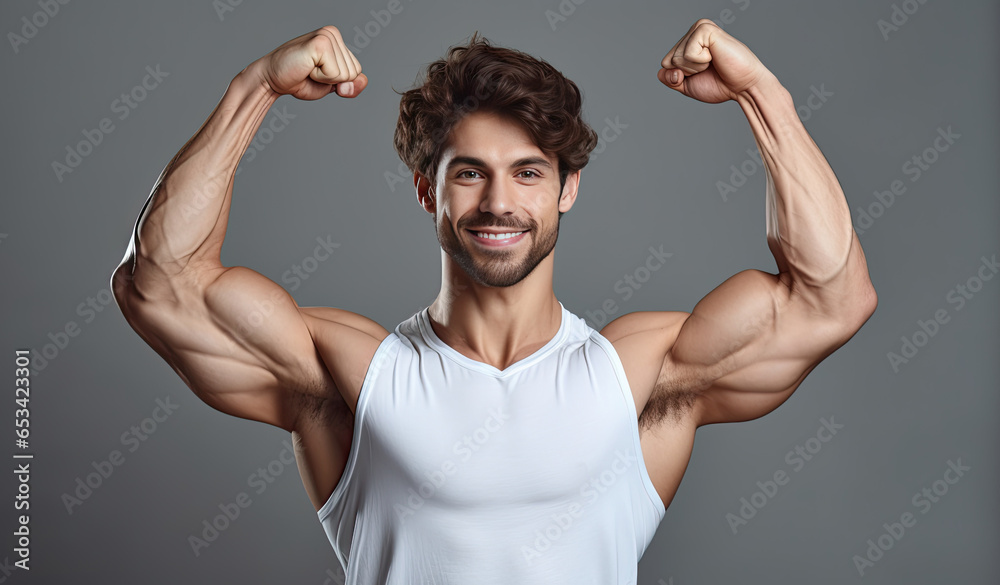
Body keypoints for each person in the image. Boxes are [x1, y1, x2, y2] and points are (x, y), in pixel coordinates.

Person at [111, 20, 877, 584]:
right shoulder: (349, 376)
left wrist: (761, 95)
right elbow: (161, 283)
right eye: (470, 172)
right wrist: (257, 87)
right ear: (427, 190)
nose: (499, 202)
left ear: (568, 188)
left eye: (529, 173)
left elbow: (831, 296)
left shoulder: (643, 376)